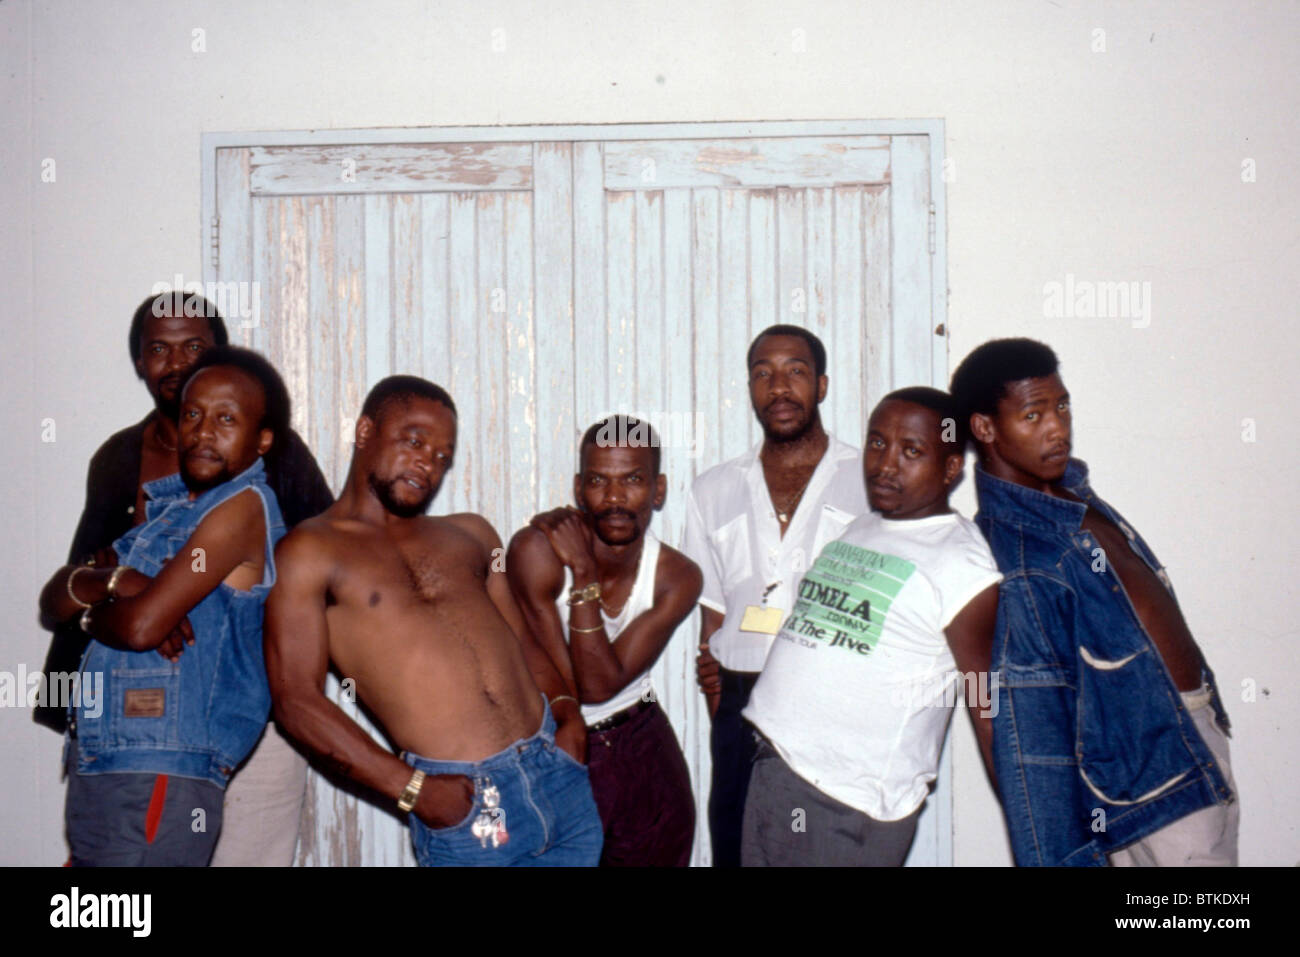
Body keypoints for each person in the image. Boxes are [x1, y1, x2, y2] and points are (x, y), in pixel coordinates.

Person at [34, 290, 334, 867]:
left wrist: (133, 603)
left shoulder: (256, 482)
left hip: (223, 715)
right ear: (140, 362)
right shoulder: (132, 468)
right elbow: (69, 585)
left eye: (193, 345)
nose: (176, 362)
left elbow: (323, 566)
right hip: (121, 735)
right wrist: (122, 586)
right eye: (158, 349)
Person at [264, 375, 603, 867]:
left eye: (443, 455)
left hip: (559, 777)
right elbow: (296, 699)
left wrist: (569, 716)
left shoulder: (472, 534)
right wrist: (415, 791)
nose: (429, 462)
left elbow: (524, 642)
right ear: (364, 432)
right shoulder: (309, 552)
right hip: (468, 809)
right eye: (414, 441)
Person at [950, 338, 1238, 866]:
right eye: (1032, 414)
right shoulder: (1011, 556)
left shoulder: (1072, 497)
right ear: (986, 429)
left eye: (1061, 406)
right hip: (1147, 778)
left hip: (1186, 739)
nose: (1056, 427)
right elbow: (1022, 724)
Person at [740, 388, 1002, 866]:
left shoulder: (961, 562)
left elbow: (983, 693)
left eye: (911, 451)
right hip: (778, 767)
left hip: (844, 801)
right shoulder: (864, 527)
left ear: (950, 469)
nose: (885, 465)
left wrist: (1028, 813)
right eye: (877, 443)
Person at [682, 324, 867, 866]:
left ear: (823, 385)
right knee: (740, 850)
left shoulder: (867, 479)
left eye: (795, 371)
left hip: (837, 695)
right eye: (763, 374)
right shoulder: (712, 490)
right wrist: (723, 701)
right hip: (743, 705)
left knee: (829, 852)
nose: (778, 386)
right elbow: (712, 611)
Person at [507, 415, 701, 866]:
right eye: (598, 481)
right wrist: (579, 567)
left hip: (642, 753)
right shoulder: (535, 552)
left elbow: (598, 684)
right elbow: (571, 691)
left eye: (632, 479)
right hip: (554, 748)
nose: (614, 498)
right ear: (579, 489)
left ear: (659, 490)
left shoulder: (678, 576)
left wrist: (585, 574)